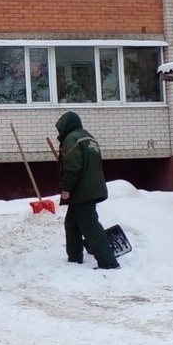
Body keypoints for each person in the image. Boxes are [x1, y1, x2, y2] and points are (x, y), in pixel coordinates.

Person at [55, 110, 119, 270]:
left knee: (90, 226)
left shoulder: (71, 139)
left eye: (60, 129)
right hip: (92, 187)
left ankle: (108, 262)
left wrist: (66, 188)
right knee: (72, 224)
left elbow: (73, 167)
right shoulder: (88, 137)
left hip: (82, 191)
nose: (59, 133)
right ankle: (74, 258)